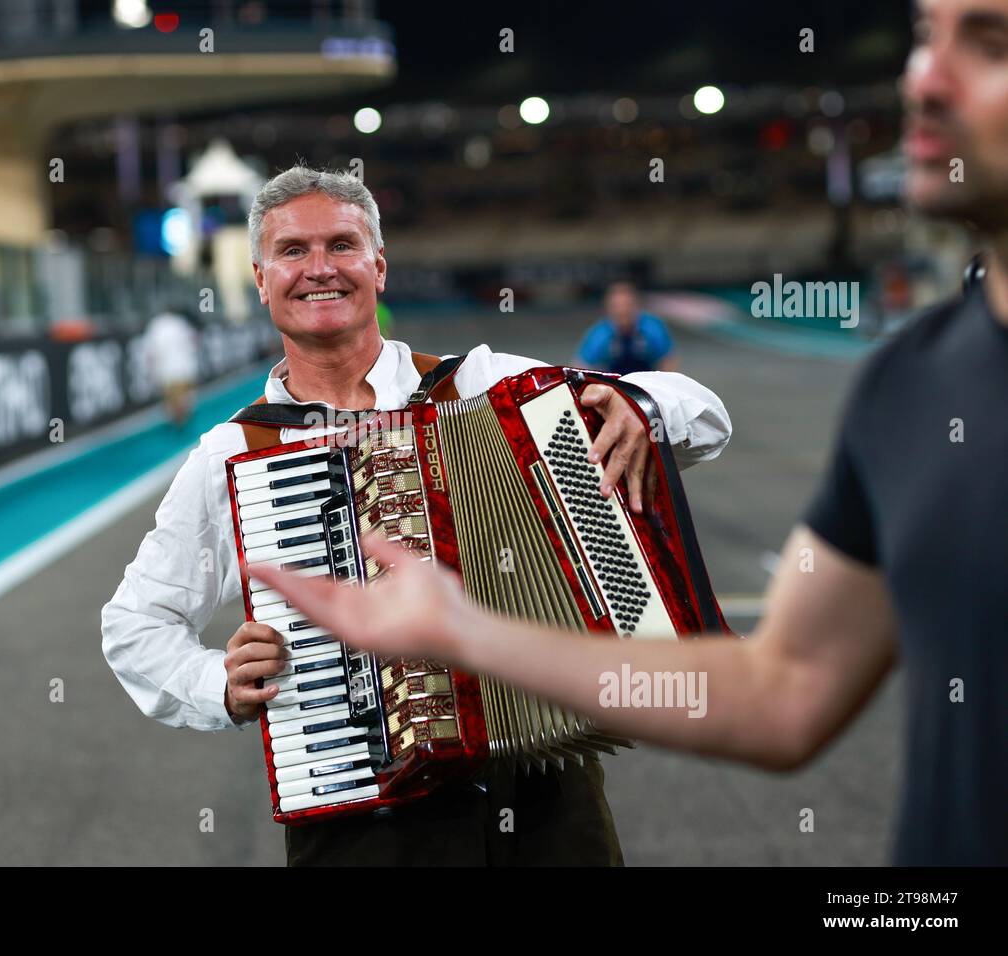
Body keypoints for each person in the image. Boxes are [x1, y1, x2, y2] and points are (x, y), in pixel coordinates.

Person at [251, 0, 1008, 867]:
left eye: (989, 43)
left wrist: (655, 403)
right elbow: (781, 694)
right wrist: (464, 637)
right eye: (923, 37)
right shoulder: (908, 387)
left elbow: (691, 401)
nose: (925, 79)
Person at [101, 165, 733, 866]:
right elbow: (135, 623)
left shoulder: (481, 386)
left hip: (546, 795)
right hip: (363, 812)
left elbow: (704, 416)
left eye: (342, 245)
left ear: (379, 266)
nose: (320, 269)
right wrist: (217, 683)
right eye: (292, 251)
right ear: (260, 278)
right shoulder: (235, 452)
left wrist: (641, 408)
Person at [577, 280, 678, 375]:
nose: (622, 311)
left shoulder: (653, 328)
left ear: (636, 306)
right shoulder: (599, 334)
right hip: (614, 384)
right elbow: (582, 365)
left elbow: (668, 360)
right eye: (617, 307)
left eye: (627, 305)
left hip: (647, 381)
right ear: (608, 309)